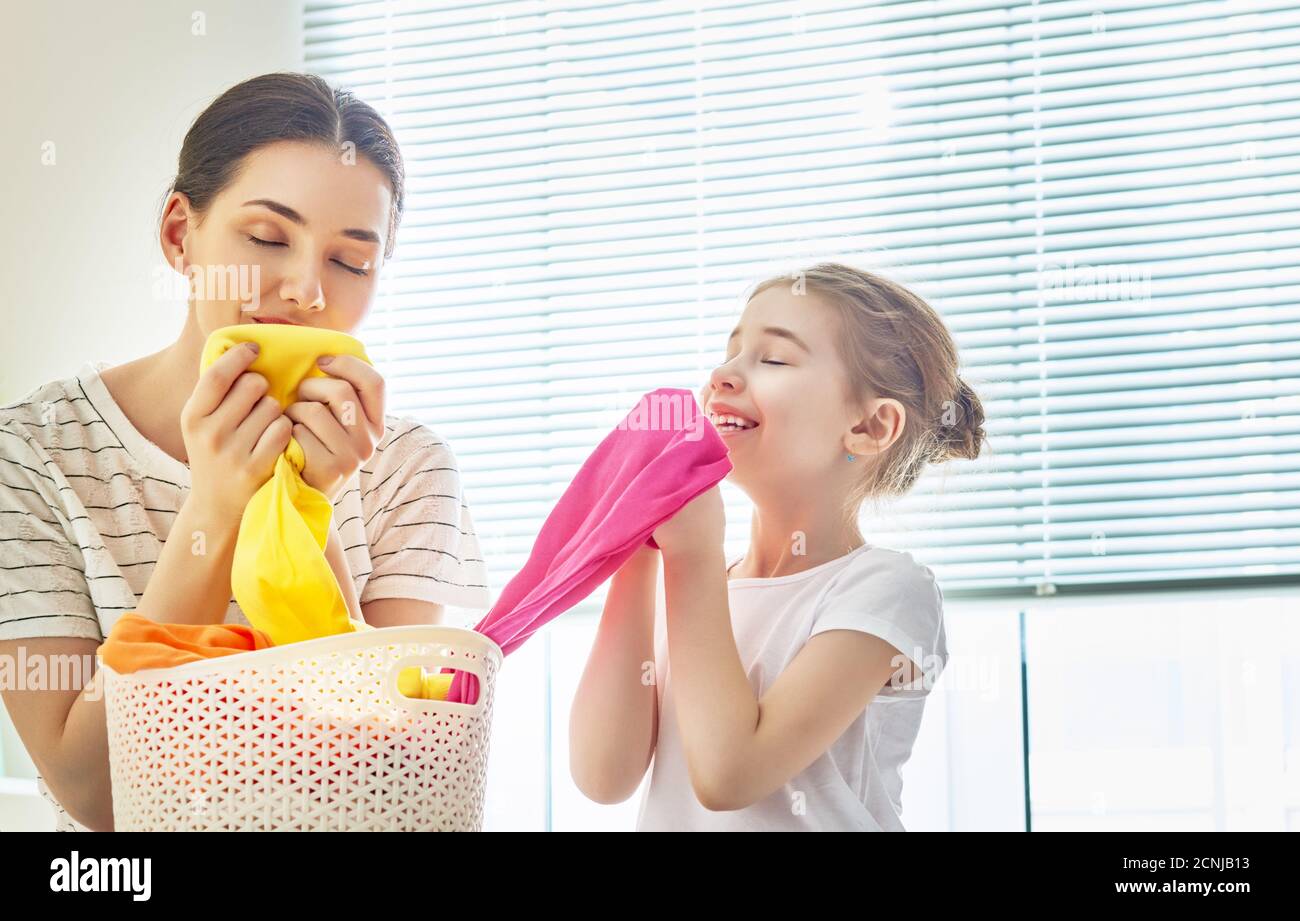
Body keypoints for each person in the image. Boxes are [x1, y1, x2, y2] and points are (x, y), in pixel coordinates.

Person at [0, 72, 490, 831]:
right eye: (266, 238)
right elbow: (92, 793)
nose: (305, 289)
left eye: (351, 261)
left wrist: (306, 510)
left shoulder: (409, 467)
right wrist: (218, 505)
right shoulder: (33, 455)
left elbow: (398, 783)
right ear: (179, 236)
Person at [570, 262, 985, 830]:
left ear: (869, 428)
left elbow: (729, 776)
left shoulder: (884, 589)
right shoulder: (696, 585)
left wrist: (691, 557)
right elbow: (604, 777)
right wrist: (636, 554)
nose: (723, 373)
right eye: (731, 352)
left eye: (774, 359)